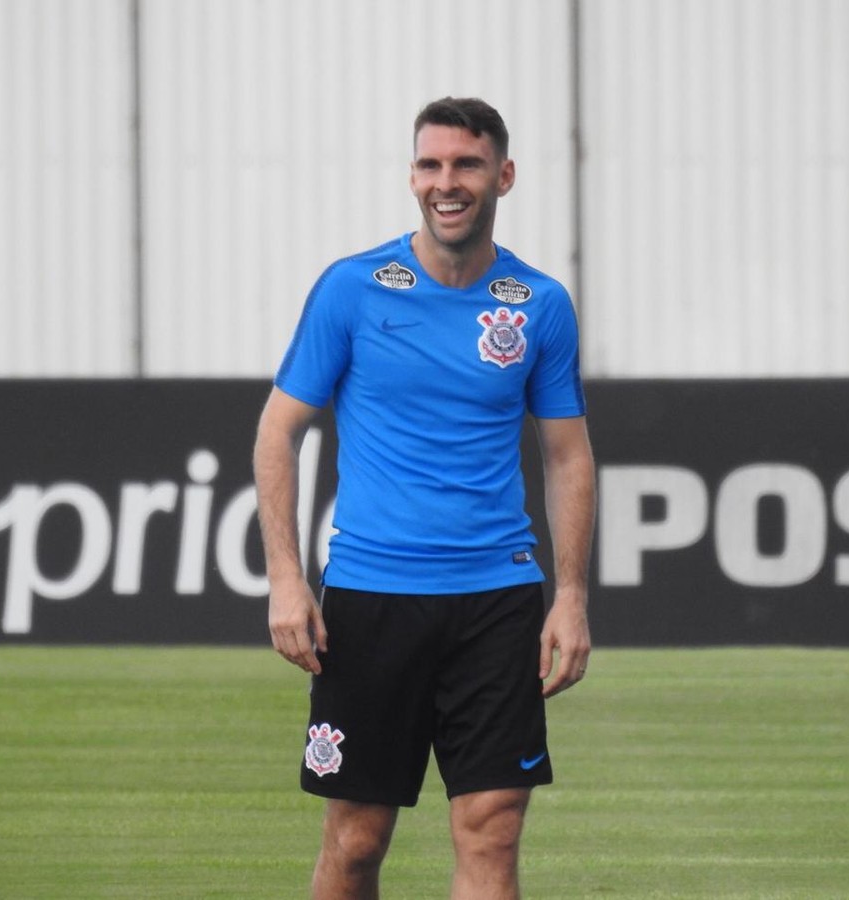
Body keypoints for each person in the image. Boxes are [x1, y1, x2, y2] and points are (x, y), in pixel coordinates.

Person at [253, 96, 595, 900]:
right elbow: (278, 432)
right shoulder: (352, 289)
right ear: (412, 176)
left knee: (492, 832)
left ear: (502, 176)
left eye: (467, 164)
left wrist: (572, 595)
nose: (448, 182)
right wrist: (286, 577)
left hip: (497, 600)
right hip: (372, 599)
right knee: (358, 840)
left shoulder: (538, 304)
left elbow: (567, 456)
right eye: (432, 165)